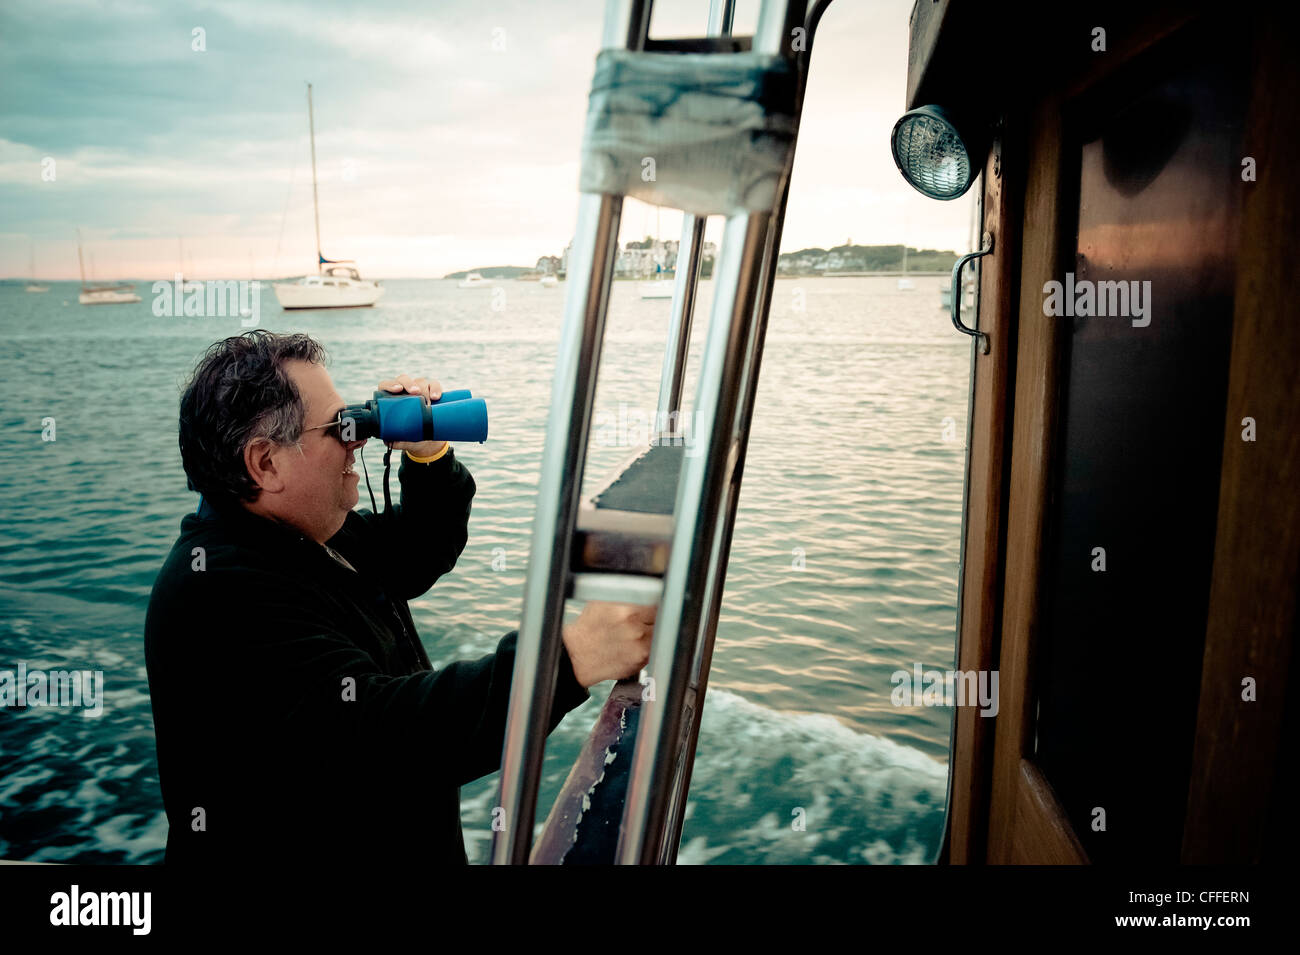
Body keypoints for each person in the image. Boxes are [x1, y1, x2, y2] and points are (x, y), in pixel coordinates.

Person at [143, 330, 656, 865]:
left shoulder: (305, 539)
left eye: (357, 420)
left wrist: (426, 452)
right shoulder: (216, 593)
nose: (357, 439)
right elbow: (380, 736)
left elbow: (418, 549)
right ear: (265, 464)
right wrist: (570, 659)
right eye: (340, 427)